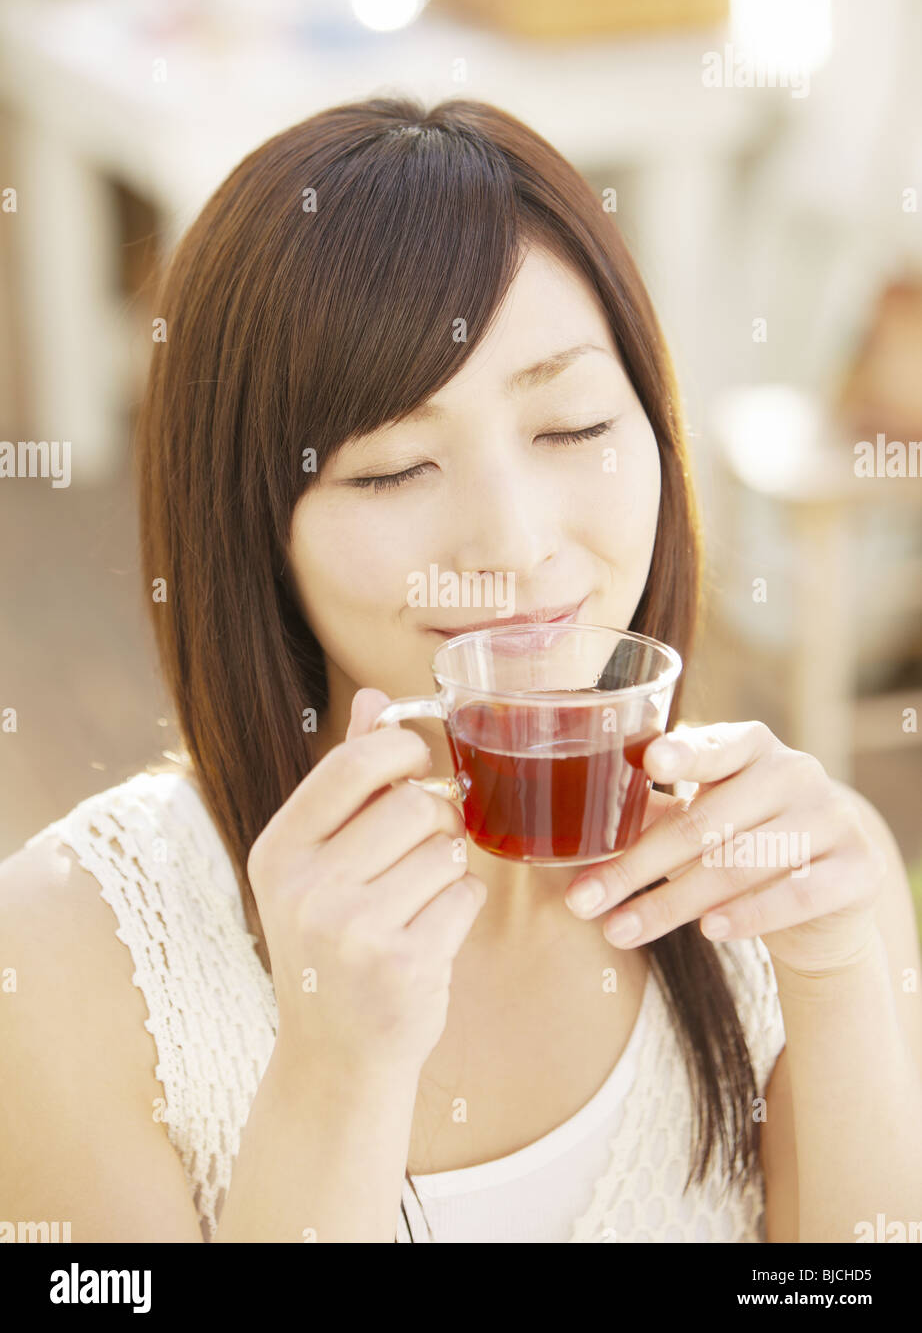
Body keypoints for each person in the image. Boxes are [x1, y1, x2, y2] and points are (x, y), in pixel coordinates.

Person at [2, 98, 920, 1245]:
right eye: (392, 468)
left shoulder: (807, 884)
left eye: (573, 426)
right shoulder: (65, 955)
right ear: (246, 524)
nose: (514, 542)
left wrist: (833, 977)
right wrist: (338, 1070)